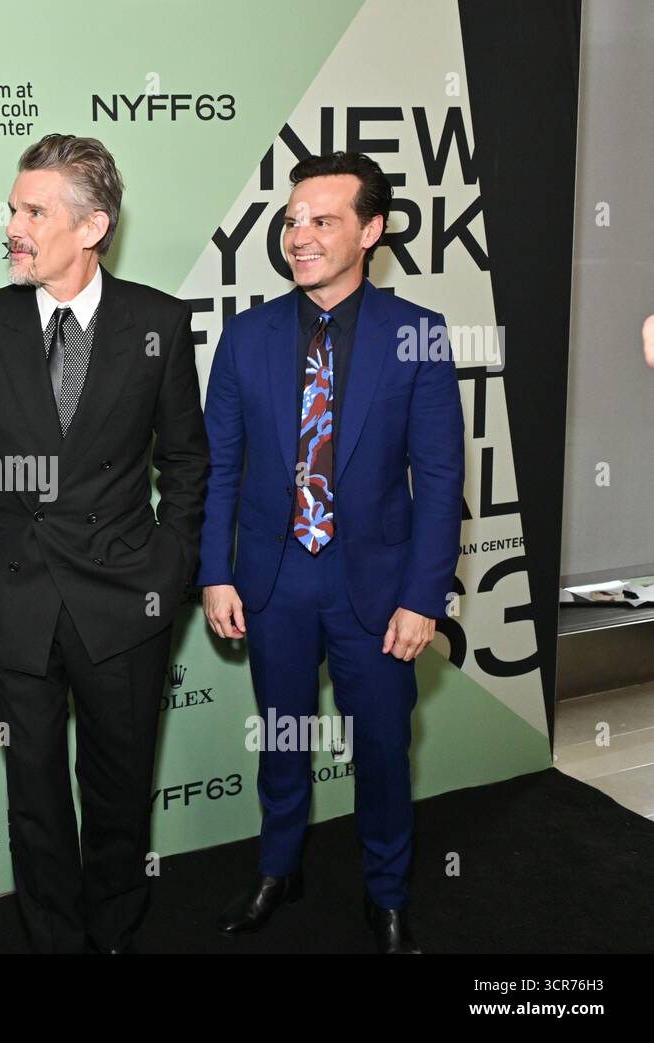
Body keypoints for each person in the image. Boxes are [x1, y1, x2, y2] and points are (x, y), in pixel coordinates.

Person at [0, 134, 208, 953]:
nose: (12, 224)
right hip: (20, 595)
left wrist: (174, 563)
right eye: (13, 207)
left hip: (128, 597)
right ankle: (53, 939)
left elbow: (188, 460)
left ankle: (115, 929)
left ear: (92, 227)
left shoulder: (158, 322)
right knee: (35, 792)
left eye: (33, 210)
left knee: (121, 791)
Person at [198, 151, 464, 954]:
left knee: (383, 750)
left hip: (379, 590)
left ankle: (386, 894)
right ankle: (280, 867)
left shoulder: (417, 334)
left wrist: (425, 596)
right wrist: (215, 569)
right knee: (281, 736)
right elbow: (221, 469)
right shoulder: (246, 339)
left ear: (371, 230)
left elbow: (442, 475)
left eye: (322, 220)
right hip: (274, 583)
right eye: (291, 220)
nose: (299, 236)